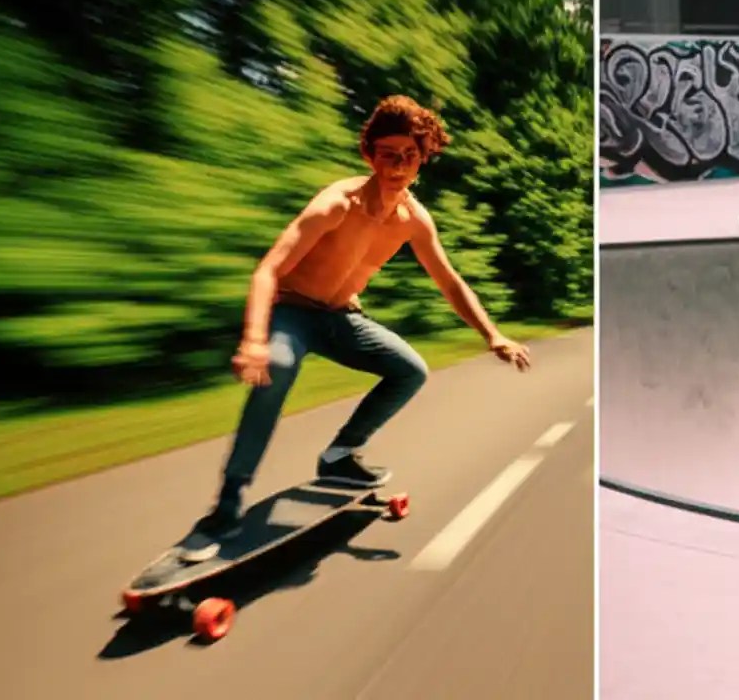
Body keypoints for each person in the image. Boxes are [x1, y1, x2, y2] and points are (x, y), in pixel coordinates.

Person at [182, 95, 532, 559]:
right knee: (276, 366)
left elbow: (449, 281)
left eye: (409, 155)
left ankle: (340, 455)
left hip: (343, 317)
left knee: (410, 370)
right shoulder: (336, 205)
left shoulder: (413, 220)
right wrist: (253, 340)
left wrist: (492, 334)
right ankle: (228, 502)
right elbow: (268, 270)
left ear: (421, 159)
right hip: (293, 313)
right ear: (369, 154)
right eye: (388, 154)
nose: (398, 166)